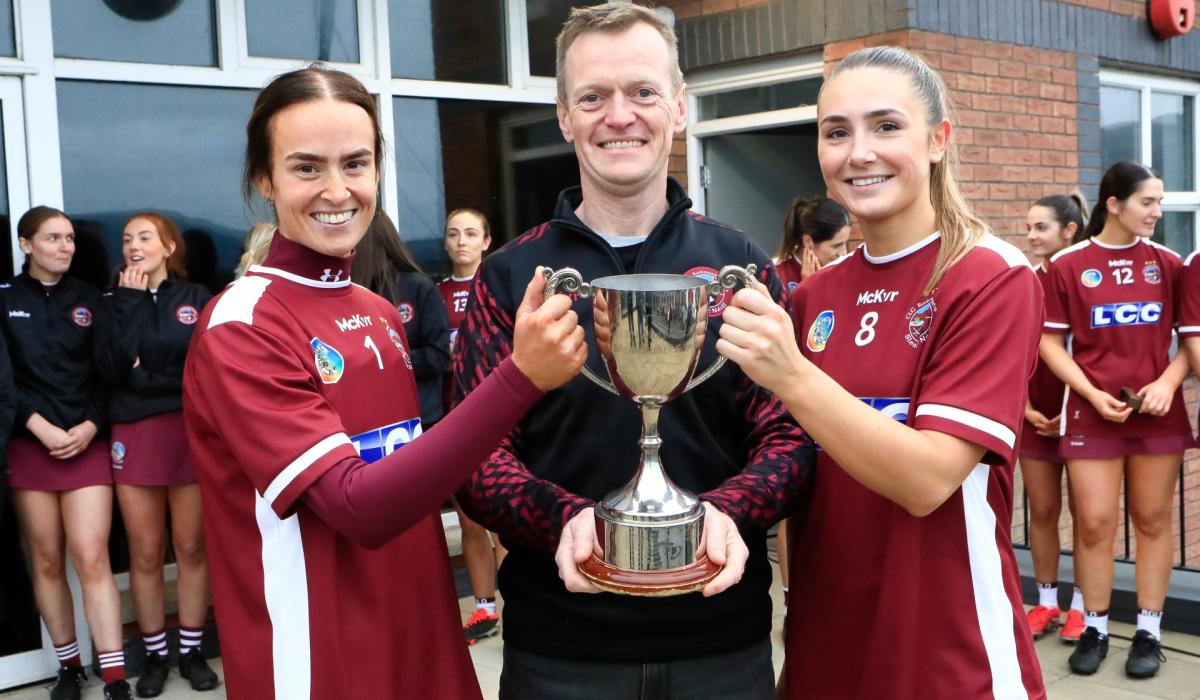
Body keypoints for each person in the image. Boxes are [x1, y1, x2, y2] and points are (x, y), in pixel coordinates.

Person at [181, 65, 585, 700]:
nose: (337, 190)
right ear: (264, 180)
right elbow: (358, 509)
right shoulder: (242, 324)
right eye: (306, 167)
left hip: (420, 639)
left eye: (356, 163)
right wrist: (519, 378)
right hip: (321, 662)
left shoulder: (374, 311)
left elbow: (415, 480)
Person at [453, 6, 812, 698]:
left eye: (643, 92)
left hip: (721, 644)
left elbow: (790, 434)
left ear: (678, 107)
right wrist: (573, 523)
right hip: (561, 651)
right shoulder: (512, 275)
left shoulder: (739, 264)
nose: (620, 115)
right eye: (593, 97)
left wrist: (721, 516)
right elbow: (475, 454)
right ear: (564, 116)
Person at [715, 46, 1047, 698]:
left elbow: (926, 480)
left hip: (947, 651)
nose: (858, 152)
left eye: (886, 126)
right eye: (836, 132)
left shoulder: (991, 276)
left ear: (937, 140)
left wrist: (794, 377)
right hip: (825, 642)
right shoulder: (812, 297)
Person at [1038, 160, 1191, 678]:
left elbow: (1190, 341)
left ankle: (1148, 630)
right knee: (1095, 524)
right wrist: (1089, 392)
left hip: (1157, 415)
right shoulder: (1069, 264)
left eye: (1159, 202)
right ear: (1114, 205)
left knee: (1151, 521)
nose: (1157, 211)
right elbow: (1048, 343)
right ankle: (1096, 629)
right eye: (1148, 201)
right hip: (1092, 413)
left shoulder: (1170, 264)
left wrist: (1167, 384)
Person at [0, 206, 131, 700]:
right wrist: (38, 427)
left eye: (70, 238)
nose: (65, 246)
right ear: (26, 244)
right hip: (30, 443)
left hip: (85, 441)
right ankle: (69, 667)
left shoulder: (92, 300)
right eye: (53, 238)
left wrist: (90, 425)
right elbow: (4, 380)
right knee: (48, 560)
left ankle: (115, 673)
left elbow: (109, 375)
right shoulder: (5, 299)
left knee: (92, 556)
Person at [104, 212, 218, 696]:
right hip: (134, 434)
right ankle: (154, 656)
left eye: (145, 237)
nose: (134, 245)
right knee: (145, 553)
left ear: (168, 247)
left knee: (191, 548)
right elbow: (110, 371)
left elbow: (206, 375)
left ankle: (191, 651)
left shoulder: (198, 300)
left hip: (188, 433)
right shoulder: (112, 302)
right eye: (127, 238)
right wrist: (128, 302)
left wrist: (145, 378)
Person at [437, 207, 507, 643]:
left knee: (504, 521)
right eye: (452, 234)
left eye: (470, 233)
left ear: (486, 241)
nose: (461, 241)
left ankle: (518, 605)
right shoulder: (435, 293)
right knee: (470, 522)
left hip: (498, 418)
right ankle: (484, 609)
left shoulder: (500, 288)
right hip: (452, 419)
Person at [1020, 193, 1088, 642]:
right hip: (1033, 414)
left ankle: (1083, 607)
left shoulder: (1086, 279)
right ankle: (1046, 602)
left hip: (1083, 416)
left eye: (1041, 227)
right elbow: (1008, 354)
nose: (1030, 236)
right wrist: (1025, 408)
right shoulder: (1023, 282)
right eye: (1029, 227)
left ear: (1069, 230)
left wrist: (1075, 409)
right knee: (1042, 510)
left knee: (1089, 517)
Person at [355, 209, 451, 426]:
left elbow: (439, 354)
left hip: (419, 418)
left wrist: (386, 360)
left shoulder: (418, 288)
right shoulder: (353, 291)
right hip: (372, 420)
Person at [774, 195, 851, 291]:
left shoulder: (843, 271)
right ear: (808, 241)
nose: (844, 253)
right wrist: (808, 289)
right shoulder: (776, 275)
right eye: (836, 246)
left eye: (846, 243)